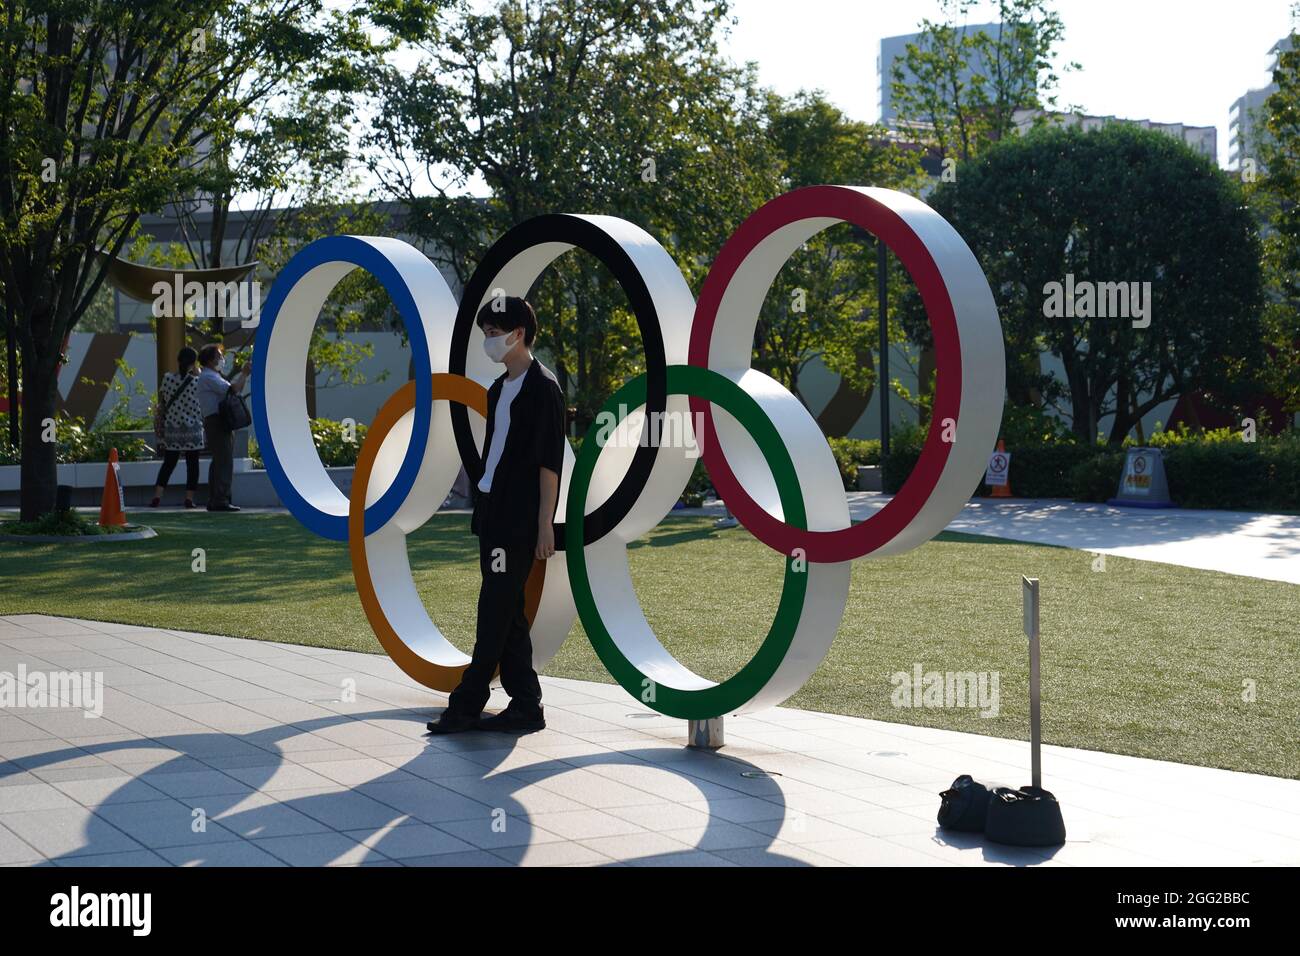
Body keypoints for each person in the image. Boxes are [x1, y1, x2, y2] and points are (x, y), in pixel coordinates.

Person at [427, 296, 566, 735]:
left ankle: (467, 703)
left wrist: (545, 523)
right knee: (508, 612)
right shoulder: (498, 388)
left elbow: (550, 463)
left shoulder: (544, 388)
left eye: (492, 334)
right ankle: (526, 705)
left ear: (517, 333)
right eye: (485, 333)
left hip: (520, 520)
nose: (487, 342)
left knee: (494, 609)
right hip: (492, 512)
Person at [196, 343, 251, 513]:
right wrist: (244, 373)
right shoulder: (209, 377)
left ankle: (215, 499)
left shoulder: (211, 376)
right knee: (225, 461)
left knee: (219, 461)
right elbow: (233, 390)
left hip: (215, 421)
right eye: (220, 356)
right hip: (217, 422)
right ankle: (221, 499)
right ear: (212, 360)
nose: (222, 359)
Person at [150, 347, 205, 508]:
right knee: (192, 464)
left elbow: (163, 400)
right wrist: (198, 372)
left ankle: (157, 497)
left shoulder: (167, 378)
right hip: (192, 427)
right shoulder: (197, 381)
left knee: (168, 463)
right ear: (193, 363)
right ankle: (189, 499)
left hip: (173, 427)